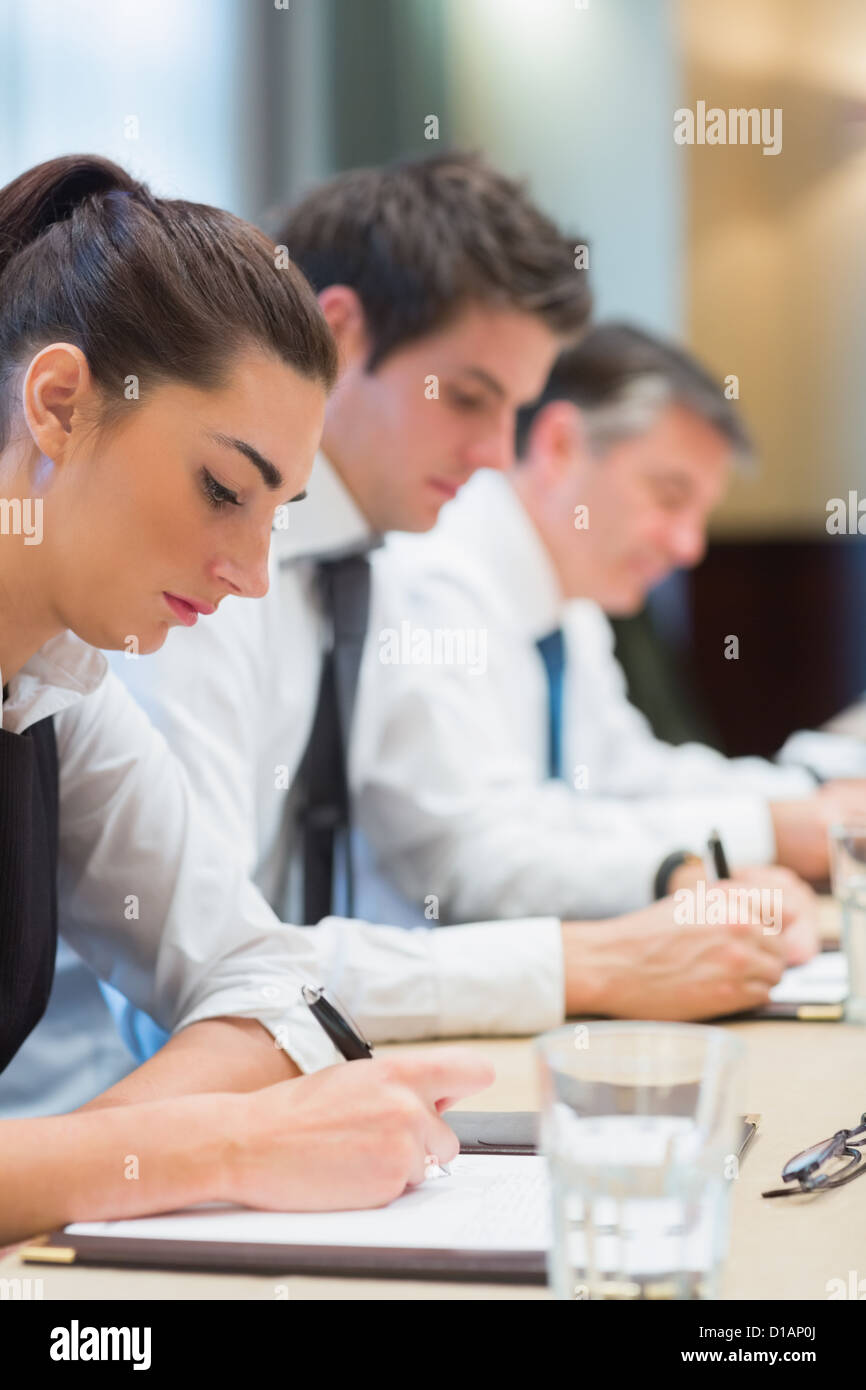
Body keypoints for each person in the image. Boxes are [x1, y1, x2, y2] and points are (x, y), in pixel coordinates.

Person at [41, 156, 803, 1116]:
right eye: (471, 397)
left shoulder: (355, 568)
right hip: (98, 1124)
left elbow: (255, 959)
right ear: (341, 333)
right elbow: (195, 999)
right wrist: (593, 958)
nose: (498, 455)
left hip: (196, 1113)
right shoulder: (164, 588)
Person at [0, 153, 493, 1245]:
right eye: (223, 489)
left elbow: (266, 979)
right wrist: (212, 1147)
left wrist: (67, 1169)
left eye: (275, 512)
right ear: (59, 405)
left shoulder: (53, 691)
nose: (252, 573)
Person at [355, 323, 865, 924]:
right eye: (670, 497)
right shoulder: (437, 578)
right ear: (561, 447)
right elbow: (476, 861)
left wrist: (807, 800)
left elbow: (627, 776)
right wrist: (767, 830)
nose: (690, 547)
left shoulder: (569, 596)